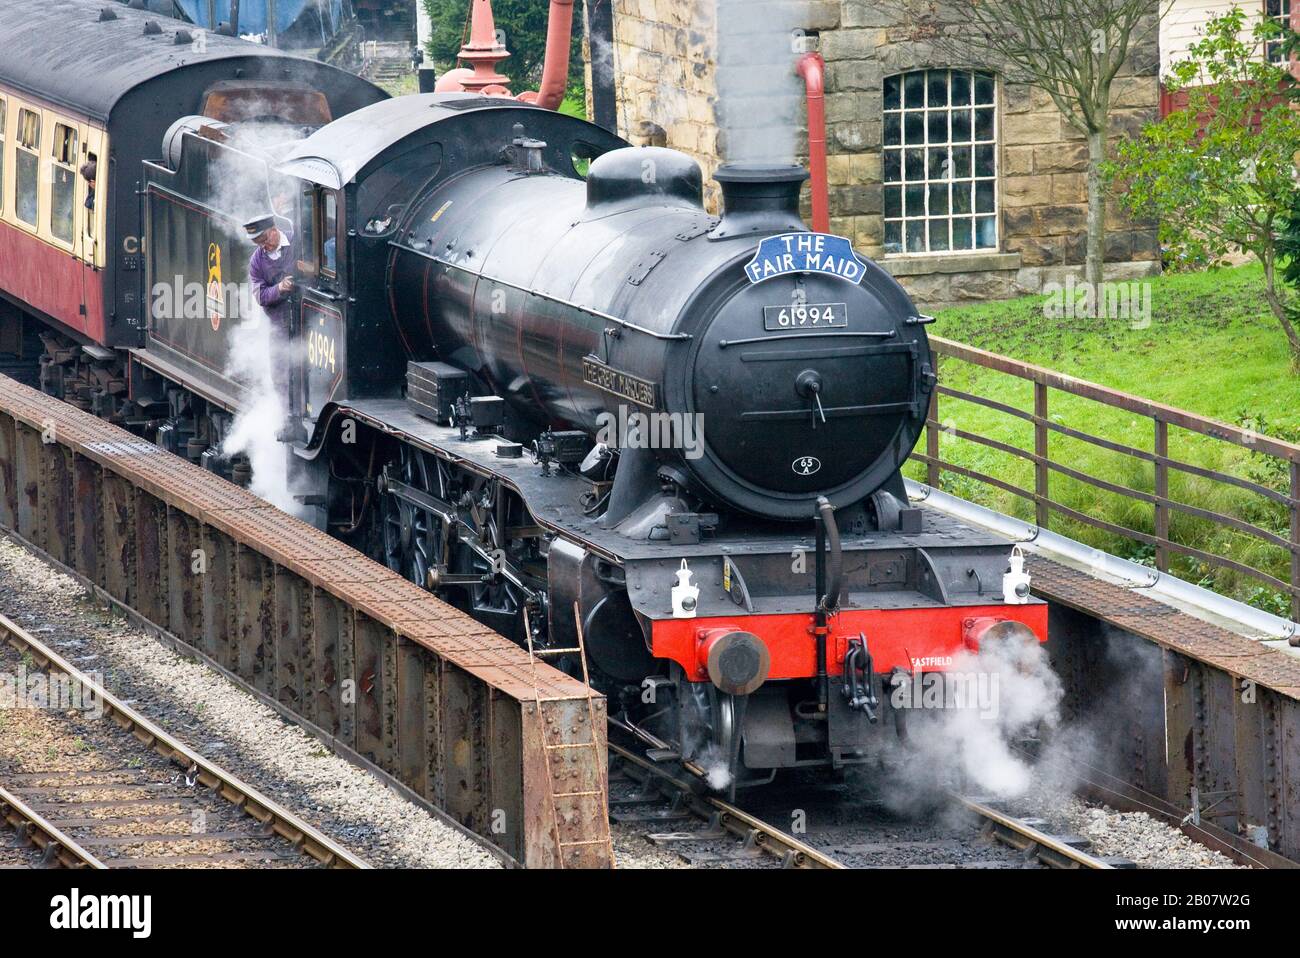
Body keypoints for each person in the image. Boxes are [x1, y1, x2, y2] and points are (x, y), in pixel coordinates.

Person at [244, 214, 295, 333]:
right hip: (280, 324)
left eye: (265, 240)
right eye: (259, 244)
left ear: (273, 230)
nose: (263, 247)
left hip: (306, 318)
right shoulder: (256, 261)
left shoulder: (296, 240)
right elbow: (260, 296)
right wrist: (279, 288)